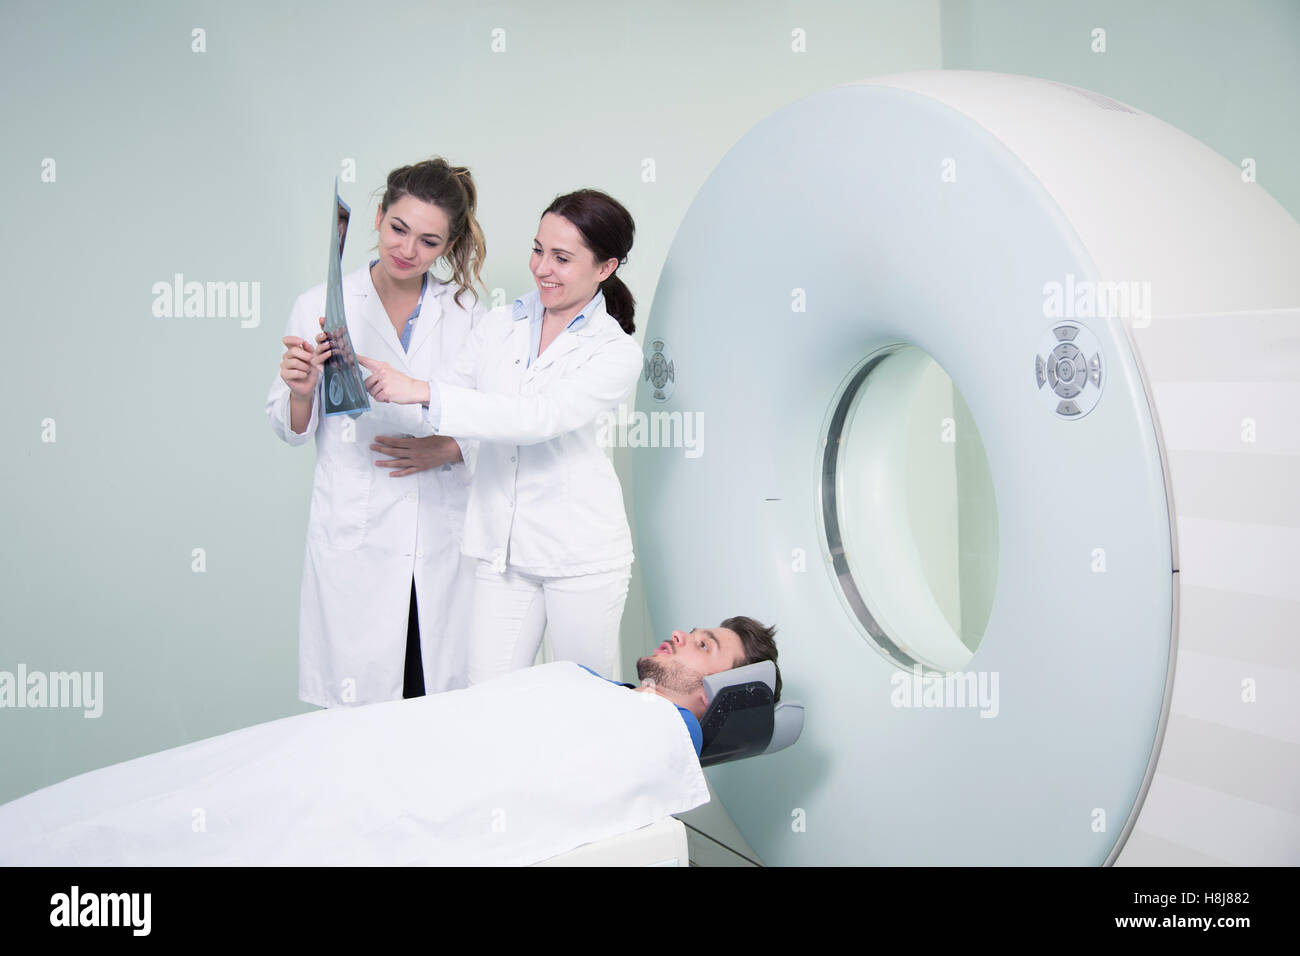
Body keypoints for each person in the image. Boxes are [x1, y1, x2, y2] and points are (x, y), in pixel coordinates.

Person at [358, 189, 644, 685]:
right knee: (486, 704)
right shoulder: (499, 325)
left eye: (562, 258)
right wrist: (347, 370)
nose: (542, 268)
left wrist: (422, 391)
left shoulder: (615, 352)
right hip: (500, 552)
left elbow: (537, 418)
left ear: (604, 267)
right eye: (538, 250)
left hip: (579, 556)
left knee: (584, 707)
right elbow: (440, 404)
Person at [267, 158, 487, 707]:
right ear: (378, 216)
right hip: (357, 532)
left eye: (429, 240)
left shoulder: (464, 312)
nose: (408, 249)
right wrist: (300, 391)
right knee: (357, 714)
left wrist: (447, 447)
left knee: (432, 697)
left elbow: (496, 418)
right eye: (398, 228)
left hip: (440, 535)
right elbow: (292, 431)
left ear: (449, 244)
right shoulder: (317, 305)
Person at [613, 614, 783, 755]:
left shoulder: (677, 734)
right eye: (692, 634)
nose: (677, 634)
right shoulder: (616, 695)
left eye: (703, 645)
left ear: (718, 694)